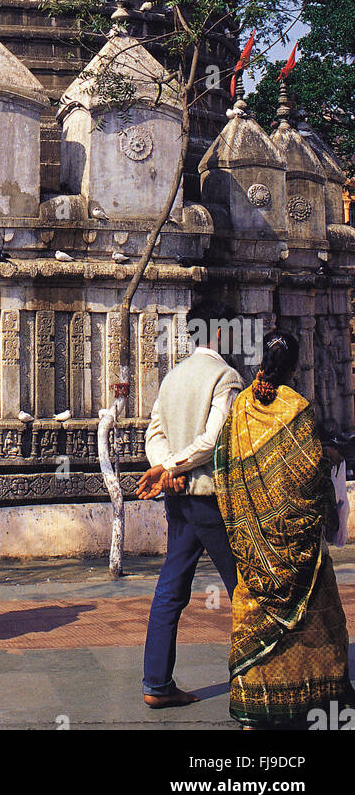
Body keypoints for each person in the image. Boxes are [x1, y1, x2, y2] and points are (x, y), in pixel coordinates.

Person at [214, 329, 354, 729]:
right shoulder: (297, 409)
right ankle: (318, 697)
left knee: (254, 611)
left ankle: (253, 710)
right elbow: (309, 474)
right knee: (316, 617)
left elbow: (226, 467)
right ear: (293, 366)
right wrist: (331, 460)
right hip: (295, 545)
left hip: (254, 543)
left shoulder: (240, 408)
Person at [137, 300, 245, 708]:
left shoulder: (173, 377)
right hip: (210, 500)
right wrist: (174, 466)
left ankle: (156, 682)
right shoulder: (225, 377)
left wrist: (166, 468)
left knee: (170, 589)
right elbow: (214, 440)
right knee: (244, 589)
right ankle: (255, 683)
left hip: (177, 497)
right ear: (219, 332)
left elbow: (155, 433)